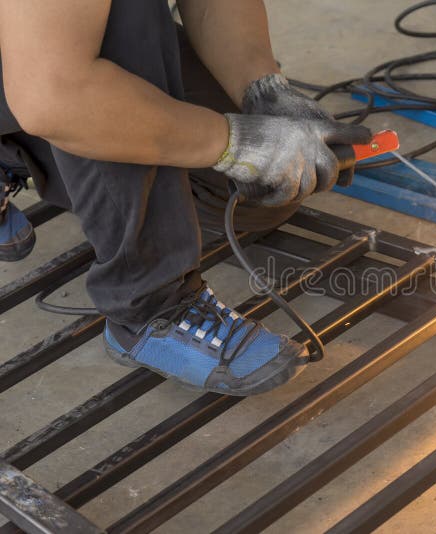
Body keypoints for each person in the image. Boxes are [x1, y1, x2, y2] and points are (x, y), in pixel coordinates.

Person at [0, 1, 372, 395]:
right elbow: (59, 93)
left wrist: (264, 90)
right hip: (50, 72)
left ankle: (13, 148)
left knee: (240, 193)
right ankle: (148, 305)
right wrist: (238, 143)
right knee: (122, 16)